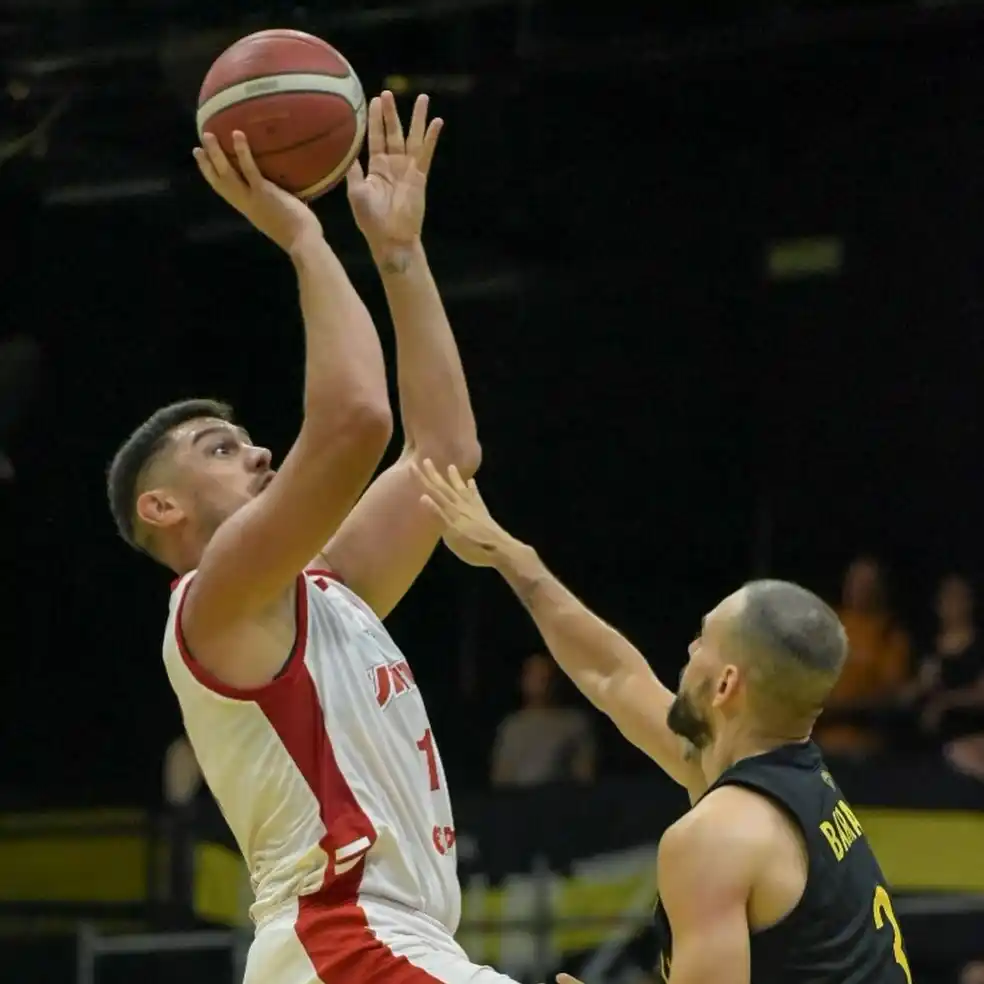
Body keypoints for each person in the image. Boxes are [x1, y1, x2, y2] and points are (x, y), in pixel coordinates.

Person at [106, 93, 518, 984]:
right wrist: (303, 237)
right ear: (161, 509)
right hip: (346, 938)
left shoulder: (322, 590)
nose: (255, 448)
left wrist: (399, 254)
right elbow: (357, 418)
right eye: (219, 448)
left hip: (393, 944)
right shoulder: (215, 601)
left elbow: (444, 456)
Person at [414, 460, 912, 984]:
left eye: (703, 639)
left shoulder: (718, 837)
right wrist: (514, 559)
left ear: (725, 685)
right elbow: (613, 676)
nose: (689, 649)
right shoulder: (782, 779)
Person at [491, 652, 596, 786]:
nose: (541, 681)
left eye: (545, 676)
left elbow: (584, 776)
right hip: (517, 804)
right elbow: (501, 777)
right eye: (533, 674)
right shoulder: (512, 726)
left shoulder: (575, 723)